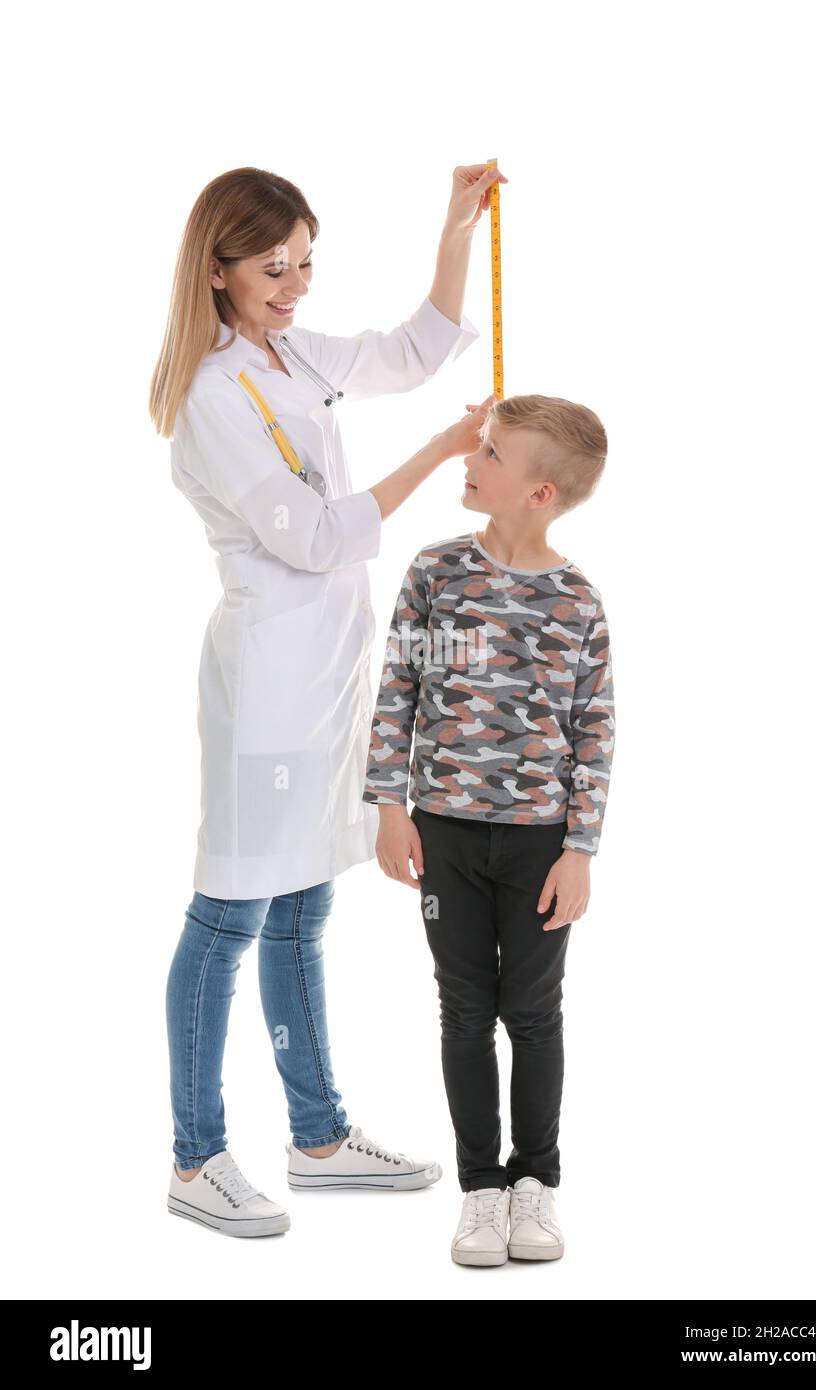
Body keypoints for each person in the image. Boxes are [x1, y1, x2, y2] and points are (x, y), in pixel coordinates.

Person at [148, 161, 507, 1237]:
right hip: (264, 686)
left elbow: (411, 348)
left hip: (327, 678)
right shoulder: (212, 395)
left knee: (306, 906)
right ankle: (195, 1156)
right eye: (273, 266)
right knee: (229, 917)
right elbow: (306, 536)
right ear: (217, 272)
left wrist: (454, 228)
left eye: (306, 260)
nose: (295, 282)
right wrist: (438, 452)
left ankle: (316, 1138)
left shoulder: (288, 350)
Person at [362, 392, 615, 1265]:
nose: (471, 458)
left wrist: (580, 849)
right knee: (464, 1009)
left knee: (534, 1013)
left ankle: (534, 1184)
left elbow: (594, 729)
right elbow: (397, 693)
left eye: (492, 453)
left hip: (542, 841)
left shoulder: (579, 602)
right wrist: (390, 806)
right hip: (446, 835)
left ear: (539, 493)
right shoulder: (435, 574)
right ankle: (480, 1191)